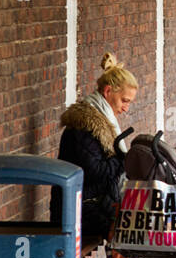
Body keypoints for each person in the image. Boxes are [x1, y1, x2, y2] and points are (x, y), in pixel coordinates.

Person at [57, 52, 138, 241]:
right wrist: (124, 159)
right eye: (124, 100)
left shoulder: (102, 122)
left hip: (94, 204)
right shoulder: (84, 126)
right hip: (78, 210)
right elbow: (97, 171)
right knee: (137, 230)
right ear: (108, 92)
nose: (126, 108)